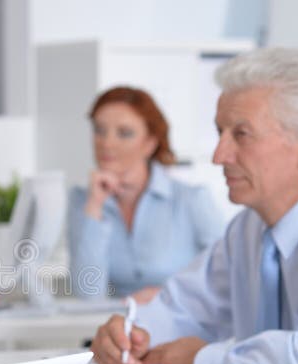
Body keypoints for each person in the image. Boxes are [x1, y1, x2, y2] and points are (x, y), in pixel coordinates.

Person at [91, 48, 298, 364]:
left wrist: (203, 358)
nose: (220, 155)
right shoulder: (247, 231)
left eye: (242, 135)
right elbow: (180, 309)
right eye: (220, 132)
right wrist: (127, 335)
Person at [68, 87, 225, 304]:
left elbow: (228, 280)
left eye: (124, 133)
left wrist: (166, 295)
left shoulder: (191, 200)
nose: (106, 143)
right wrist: (95, 206)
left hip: (181, 327)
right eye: (99, 130)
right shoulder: (82, 201)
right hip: (113, 329)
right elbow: (87, 295)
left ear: (150, 143)